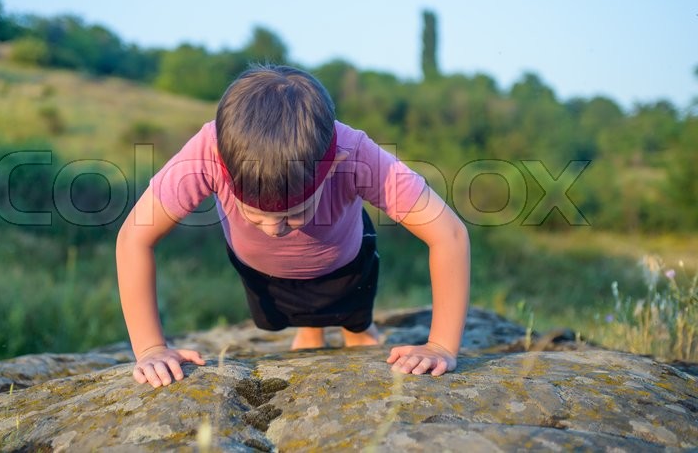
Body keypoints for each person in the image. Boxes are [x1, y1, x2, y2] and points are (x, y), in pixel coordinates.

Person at [116, 65, 470, 388]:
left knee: (353, 313)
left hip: (344, 259)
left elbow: (449, 234)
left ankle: (359, 328)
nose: (274, 229)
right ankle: (312, 330)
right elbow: (134, 238)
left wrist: (440, 345)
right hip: (261, 270)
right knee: (282, 318)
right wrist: (151, 348)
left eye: (293, 214)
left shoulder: (355, 153)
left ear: (333, 165)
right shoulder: (207, 153)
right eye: (256, 215)